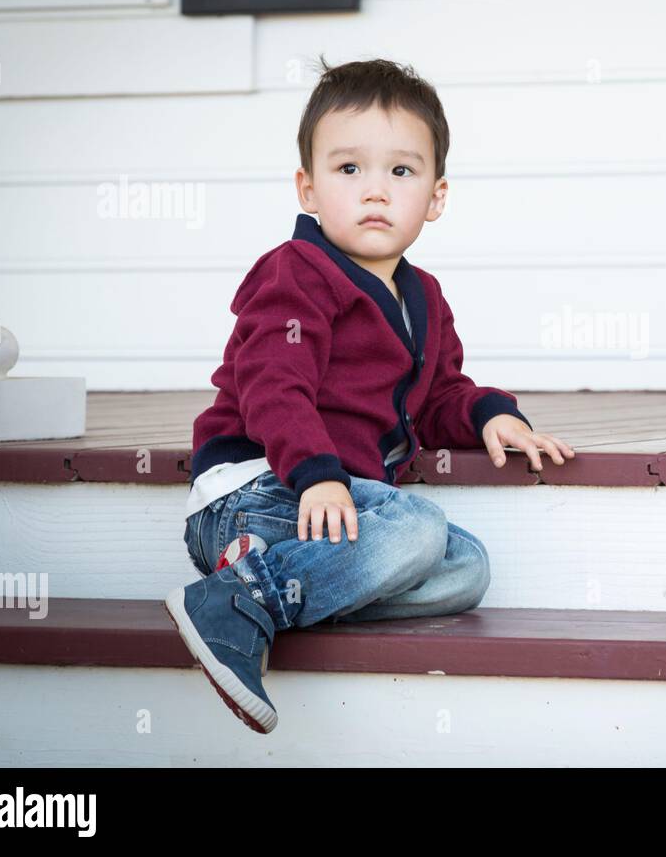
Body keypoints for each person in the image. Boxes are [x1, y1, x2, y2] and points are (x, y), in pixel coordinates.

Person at [165, 57, 575, 733]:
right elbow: (276, 386)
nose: (376, 192)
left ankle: (269, 586)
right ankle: (238, 603)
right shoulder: (296, 273)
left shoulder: (425, 298)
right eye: (349, 169)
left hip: (335, 508)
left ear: (436, 197)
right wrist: (318, 476)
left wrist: (491, 415)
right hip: (264, 489)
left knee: (466, 568)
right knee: (418, 528)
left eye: (401, 172)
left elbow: (439, 395)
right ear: (309, 187)